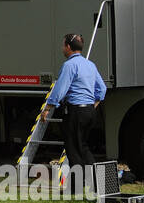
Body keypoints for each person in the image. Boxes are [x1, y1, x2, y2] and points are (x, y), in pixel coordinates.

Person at [43, 32, 106, 193]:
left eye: (63, 45)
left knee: (74, 150)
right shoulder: (90, 64)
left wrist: (48, 107)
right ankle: (78, 186)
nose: (62, 48)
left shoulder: (70, 65)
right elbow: (102, 89)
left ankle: (87, 187)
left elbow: (60, 89)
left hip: (75, 112)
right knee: (82, 146)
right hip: (90, 112)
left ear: (68, 47)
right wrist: (94, 104)